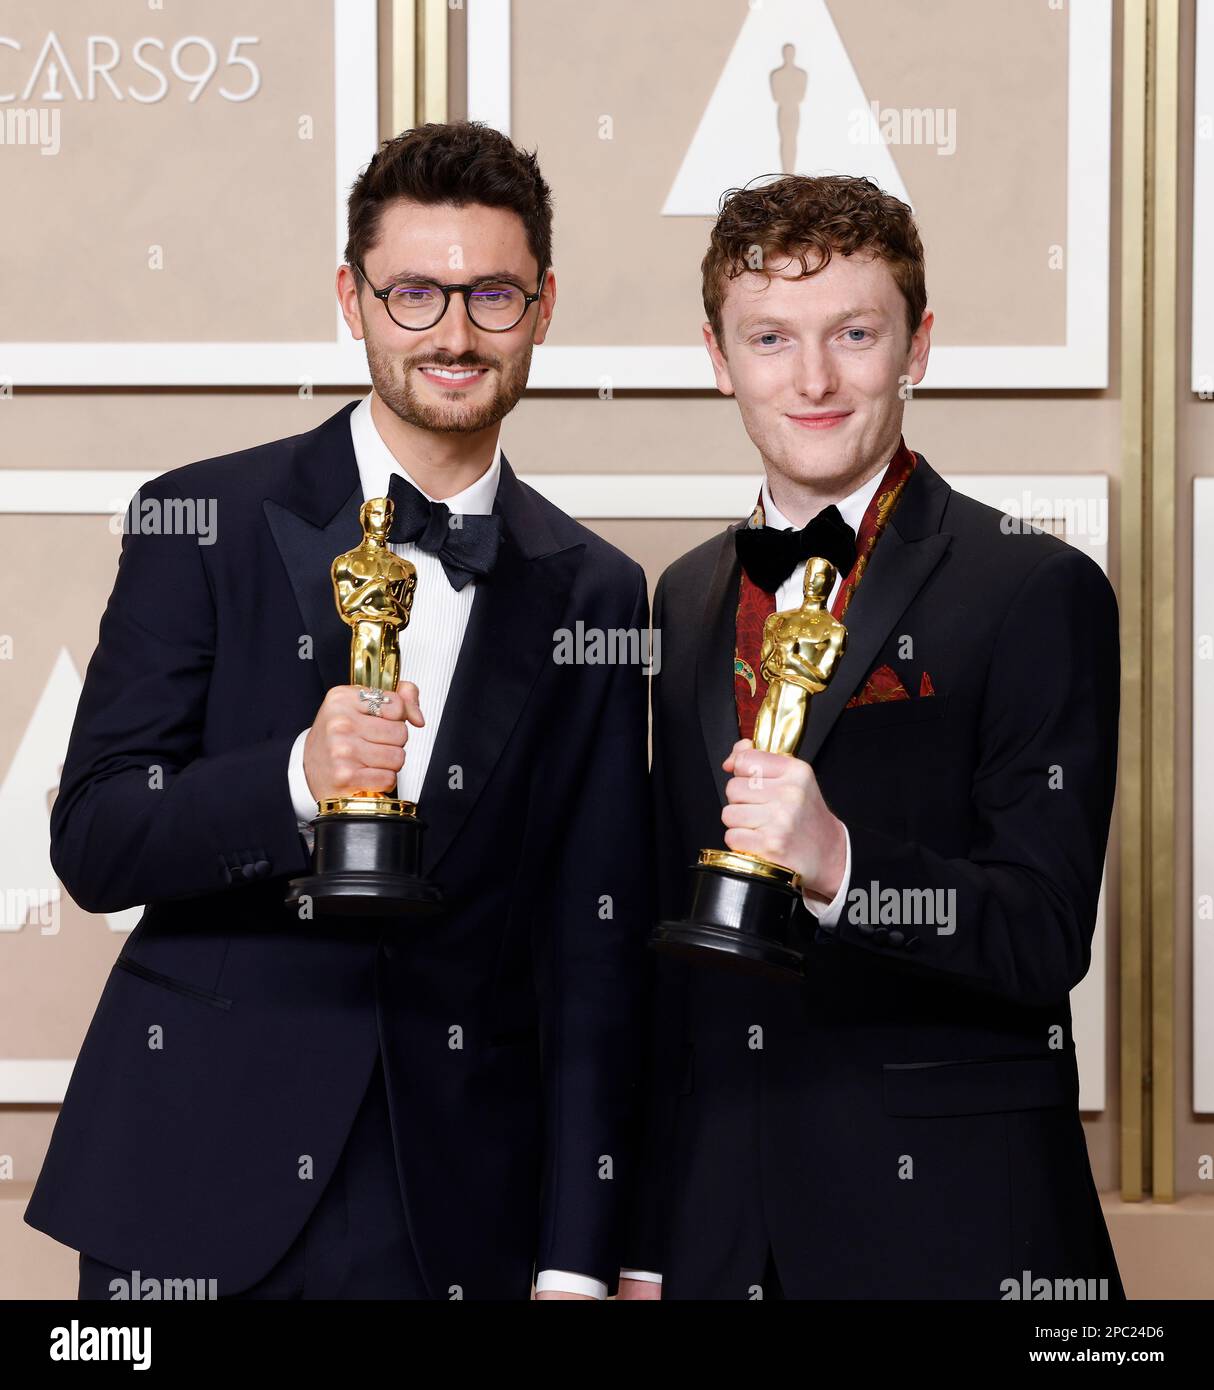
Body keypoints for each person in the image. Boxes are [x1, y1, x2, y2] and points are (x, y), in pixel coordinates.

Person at [26, 121, 652, 1302]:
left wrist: (578, 1257)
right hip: (191, 1176)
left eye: (492, 295)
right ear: (349, 298)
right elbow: (97, 840)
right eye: (412, 293)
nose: (454, 334)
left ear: (545, 304)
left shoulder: (599, 590)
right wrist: (296, 780)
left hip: (463, 1204)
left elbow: (594, 940)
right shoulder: (197, 516)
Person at [620, 173, 1124, 1301]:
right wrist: (649, 1237)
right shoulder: (685, 593)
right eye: (770, 338)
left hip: (953, 1228)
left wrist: (841, 864)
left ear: (917, 345)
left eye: (853, 333)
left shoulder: (1034, 586)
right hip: (719, 1230)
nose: (812, 378)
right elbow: (669, 949)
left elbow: (1043, 934)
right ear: (717, 357)